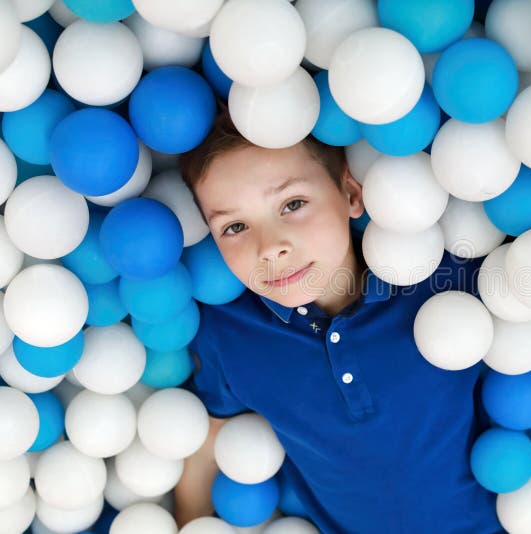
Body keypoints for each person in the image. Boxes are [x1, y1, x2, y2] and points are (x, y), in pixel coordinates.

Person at [173, 105, 504, 533]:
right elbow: (209, 440)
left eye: (292, 204)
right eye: (235, 227)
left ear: (351, 194)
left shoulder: (442, 284)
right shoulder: (230, 332)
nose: (271, 247)